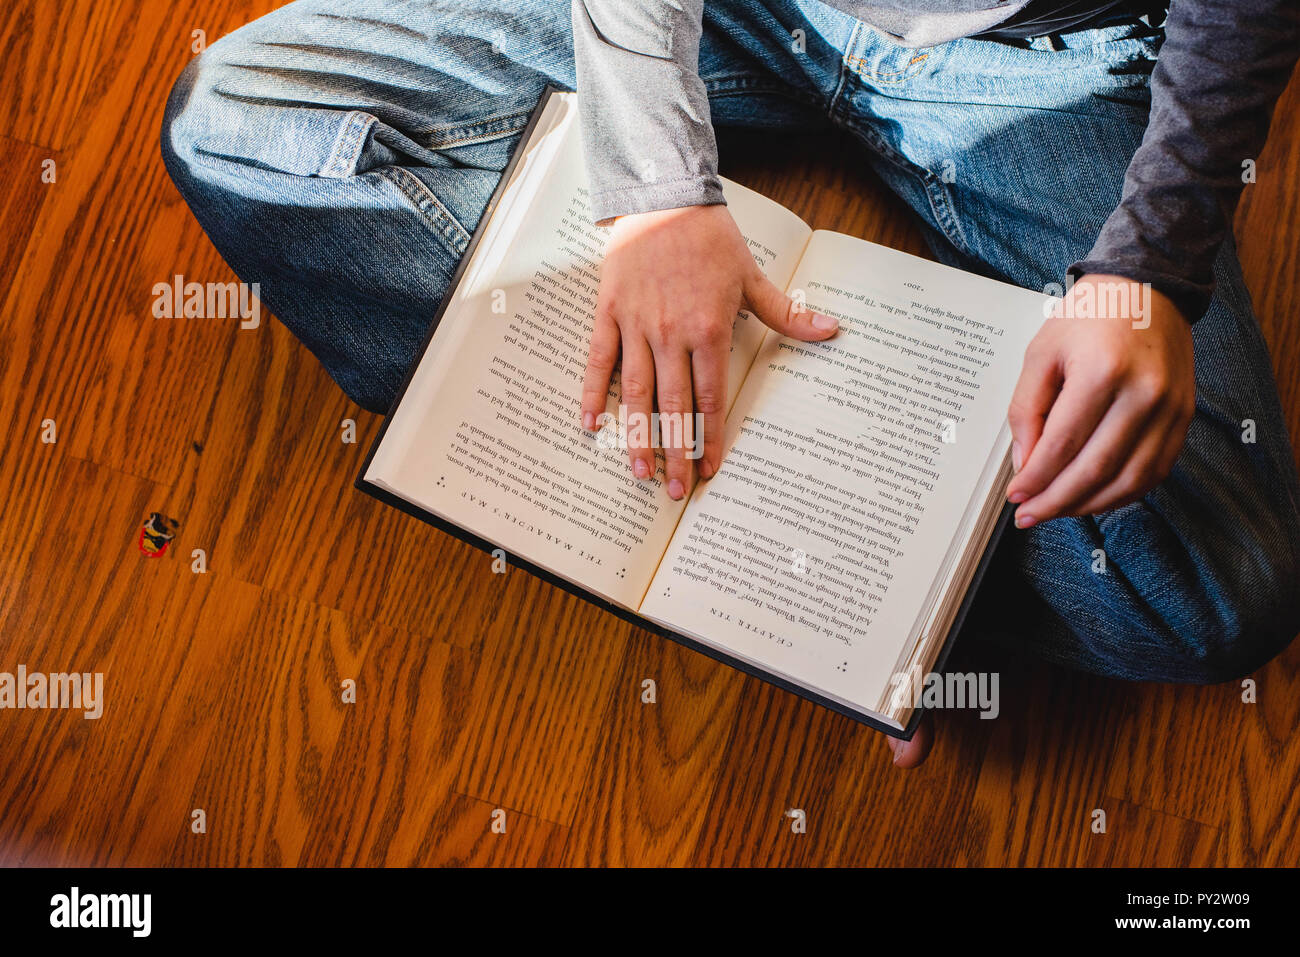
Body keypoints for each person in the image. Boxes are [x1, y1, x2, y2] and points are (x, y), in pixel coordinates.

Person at [162, 0, 1300, 767]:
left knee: (1219, 594)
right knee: (238, 118)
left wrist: (1148, 267)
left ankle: (795, 552)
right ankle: (822, 561)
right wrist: (652, 191)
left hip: (1048, 61)